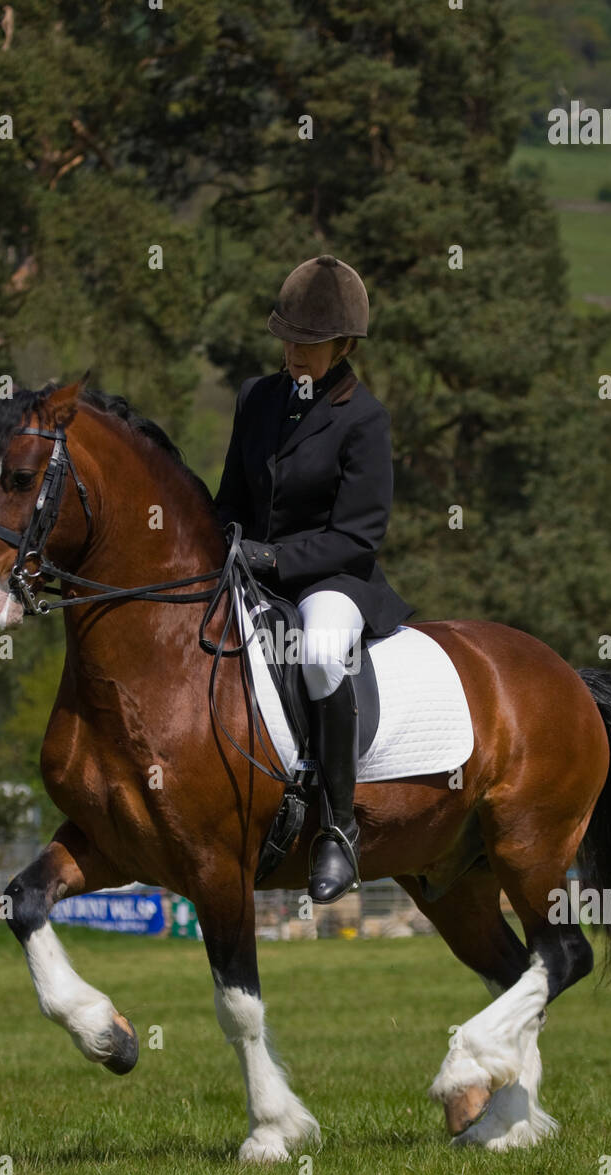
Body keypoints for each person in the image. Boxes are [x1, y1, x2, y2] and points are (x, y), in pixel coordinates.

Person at [215, 254, 414, 903]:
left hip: (333, 580)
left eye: (311, 344)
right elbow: (232, 502)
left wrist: (269, 561)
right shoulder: (257, 398)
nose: (296, 355)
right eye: (289, 341)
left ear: (345, 344)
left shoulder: (364, 420)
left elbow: (357, 536)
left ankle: (337, 827)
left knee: (323, 651)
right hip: (252, 569)